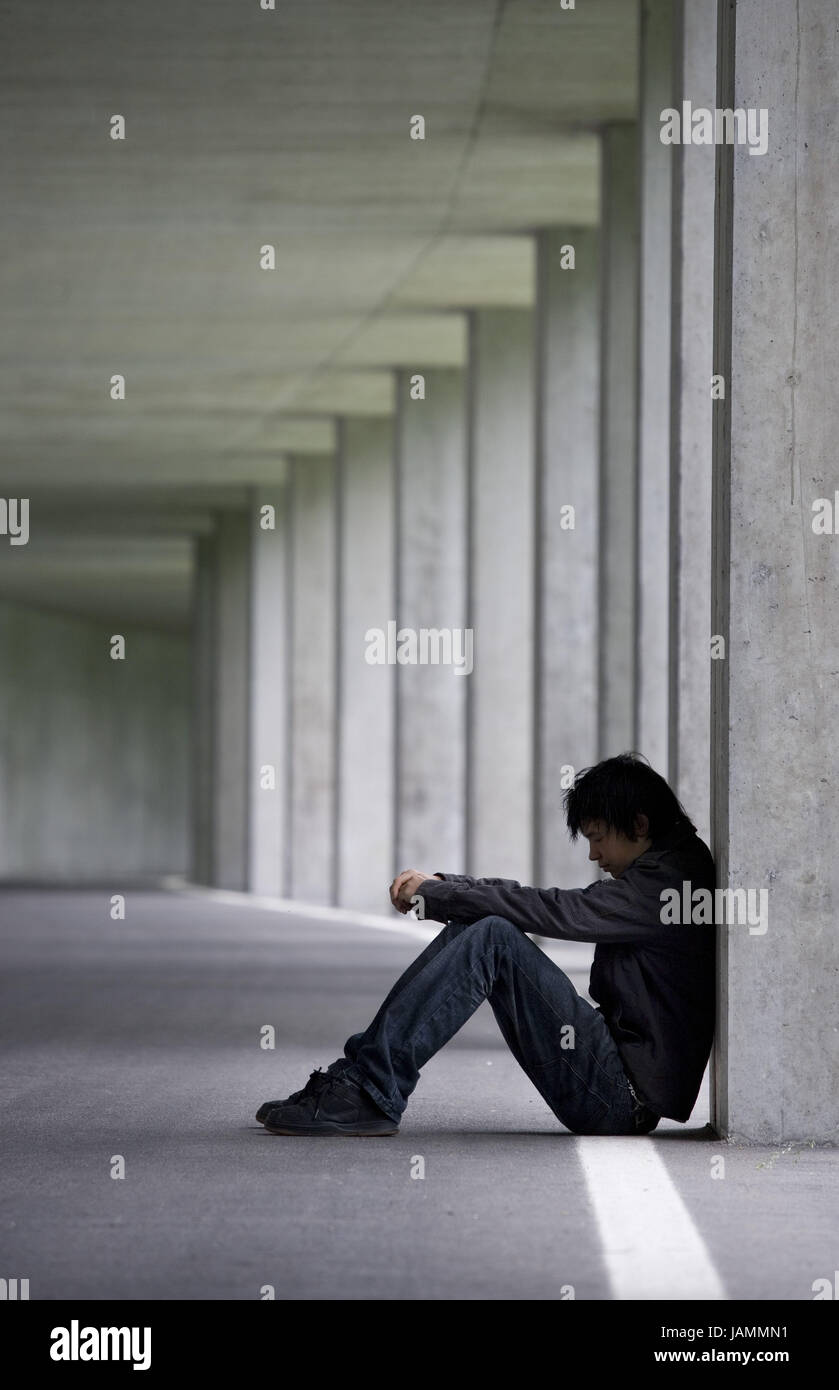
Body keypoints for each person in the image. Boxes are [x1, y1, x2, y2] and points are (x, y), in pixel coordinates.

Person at [255, 752, 716, 1138]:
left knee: (492, 936)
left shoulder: (669, 884)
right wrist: (450, 890)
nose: (594, 855)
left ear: (638, 824)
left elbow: (558, 910)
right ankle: (363, 1083)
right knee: (481, 931)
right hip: (612, 1075)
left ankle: (368, 1090)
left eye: (597, 839)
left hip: (619, 1097)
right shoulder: (667, 868)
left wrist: (440, 893)